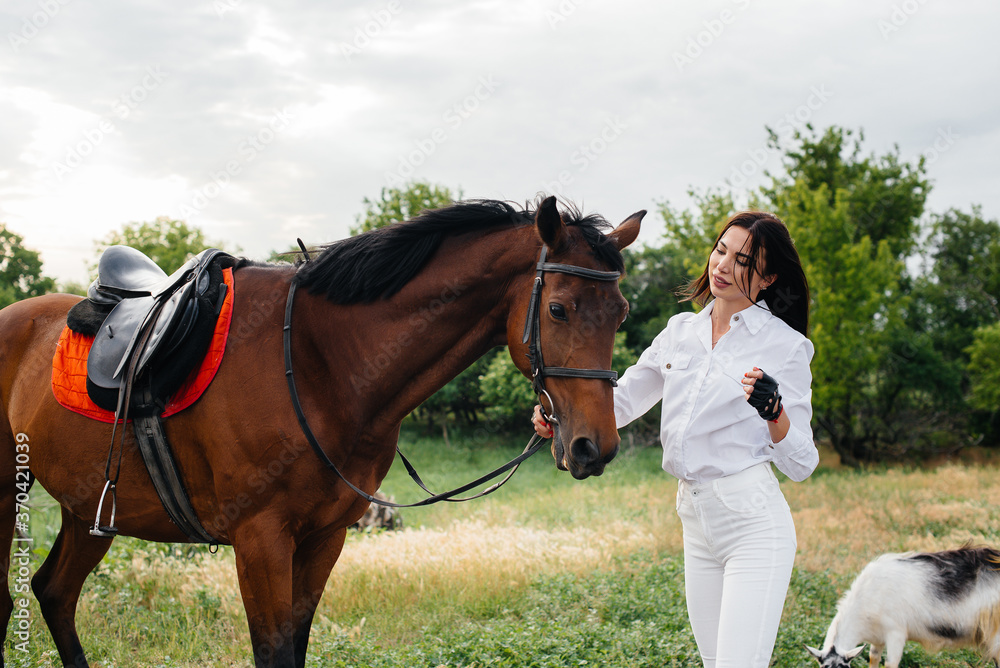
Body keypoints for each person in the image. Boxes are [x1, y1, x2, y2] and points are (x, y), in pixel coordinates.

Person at [533, 211, 818, 668]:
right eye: (720, 251)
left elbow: (802, 463)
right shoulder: (679, 332)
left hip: (753, 525)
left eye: (742, 261)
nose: (722, 266)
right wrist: (558, 413)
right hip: (695, 521)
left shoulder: (785, 347)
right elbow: (621, 403)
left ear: (767, 278)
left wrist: (775, 412)